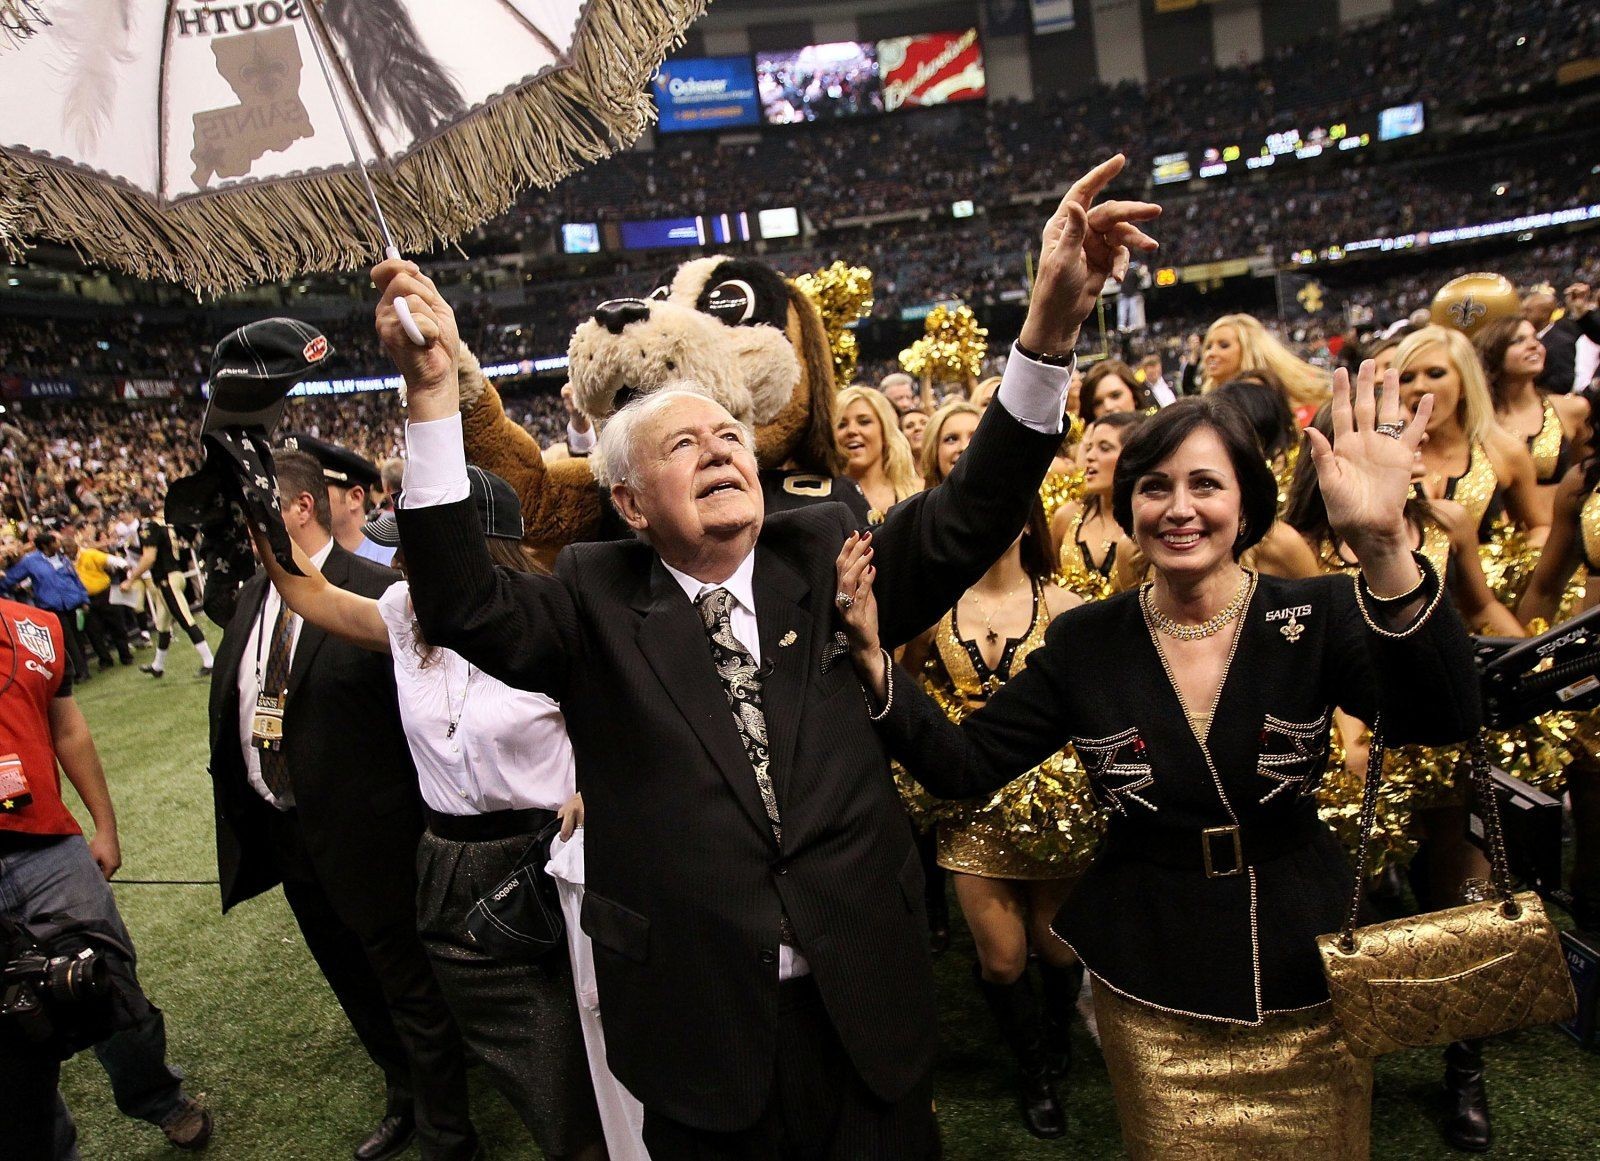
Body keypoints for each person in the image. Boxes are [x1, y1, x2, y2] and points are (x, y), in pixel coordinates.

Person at [379, 153, 1161, 1158]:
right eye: (681, 444)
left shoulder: (826, 552)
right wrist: (435, 388)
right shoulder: (590, 599)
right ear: (626, 502)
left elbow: (973, 514)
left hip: (864, 1010)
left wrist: (1049, 326)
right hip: (699, 1035)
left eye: (728, 435)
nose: (717, 449)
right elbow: (458, 598)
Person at [835, 364, 1479, 1159]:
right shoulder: (1087, 641)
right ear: (1125, 502)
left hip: (1305, 967)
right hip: (1152, 983)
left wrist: (1385, 547)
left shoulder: (1316, 612)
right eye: (1153, 486)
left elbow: (1442, 717)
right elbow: (964, 763)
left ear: (1246, 503)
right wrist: (873, 663)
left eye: (1206, 484)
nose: (1179, 508)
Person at [247, 467, 611, 1160]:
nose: (399, 560)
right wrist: (259, 505)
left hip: (551, 861)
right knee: (537, 1077)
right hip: (450, 869)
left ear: (471, 548)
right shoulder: (403, 612)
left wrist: (594, 782)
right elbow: (306, 588)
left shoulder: (549, 613)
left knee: (599, 1049)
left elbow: (623, 714)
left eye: (415, 545)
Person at [206, 448, 478, 1161]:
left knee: (413, 992)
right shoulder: (251, 593)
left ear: (297, 507)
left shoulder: (375, 588)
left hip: (378, 839)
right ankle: (404, 1096)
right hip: (292, 838)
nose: (245, 526)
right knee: (355, 987)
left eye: (255, 510)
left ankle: (451, 1134)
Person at [903, 424, 1093, 1140]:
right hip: (972, 804)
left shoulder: (1069, 606)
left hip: (1056, 806)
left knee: (1055, 948)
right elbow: (899, 685)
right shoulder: (933, 612)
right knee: (1002, 956)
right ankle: (1035, 1071)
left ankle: (1054, 1032)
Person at [0, 593, 212, 1157]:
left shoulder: (35, 627)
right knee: (9, 1033)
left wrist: (105, 827)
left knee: (105, 983)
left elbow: (68, 728)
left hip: (48, 847)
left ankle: (159, 1098)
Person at [1474, 316, 1589, 520]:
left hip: (1558, 537)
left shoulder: (1571, 409)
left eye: (1535, 338)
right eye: (1518, 341)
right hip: (1495, 544)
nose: (1534, 345)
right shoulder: (1474, 421)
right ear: (1492, 352)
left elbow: (1586, 482)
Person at [1050, 411, 1143, 600]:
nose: (1090, 457)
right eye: (1090, 447)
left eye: (1105, 448)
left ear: (1132, 457)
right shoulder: (1066, 517)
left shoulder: (1147, 523)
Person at [122, 505, 214, 678]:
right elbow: (194, 535)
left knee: (186, 620)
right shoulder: (167, 523)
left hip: (167, 579)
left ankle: (209, 661)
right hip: (175, 575)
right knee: (162, 626)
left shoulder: (149, 525)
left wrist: (131, 579)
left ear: (137, 513)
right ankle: (158, 666)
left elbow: (149, 557)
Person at [281, 433, 395, 566]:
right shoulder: (291, 563)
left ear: (355, 497)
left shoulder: (393, 559)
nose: (300, 501)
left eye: (313, 487)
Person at [2, 531, 93, 683]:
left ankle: (84, 669)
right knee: (67, 640)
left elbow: (75, 579)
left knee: (78, 636)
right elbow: (12, 577)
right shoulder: (31, 561)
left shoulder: (62, 558)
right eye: (55, 542)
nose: (59, 544)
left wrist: (84, 598)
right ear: (45, 545)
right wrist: (3, 584)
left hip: (72, 603)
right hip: (52, 607)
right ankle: (79, 671)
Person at [1199, 313, 1329, 419]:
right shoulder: (1210, 404)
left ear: (1249, 350)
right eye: (1208, 346)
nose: (1210, 353)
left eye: (1224, 345)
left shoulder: (1272, 404)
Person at [835, 385, 921, 522]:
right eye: (841, 424)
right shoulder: (822, 499)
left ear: (884, 431)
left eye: (864, 422)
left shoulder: (918, 493)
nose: (851, 430)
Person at [65, 524, 133, 669]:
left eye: (70, 549)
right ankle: (105, 659)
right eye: (66, 551)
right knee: (94, 632)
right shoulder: (66, 563)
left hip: (105, 593)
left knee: (117, 625)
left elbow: (111, 560)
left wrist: (125, 568)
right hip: (85, 600)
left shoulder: (89, 554)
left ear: (75, 547)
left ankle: (125, 655)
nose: (68, 552)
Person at [1526, 282, 1600, 394]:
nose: (1523, 315)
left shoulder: (1560, 341)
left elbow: (1564, 382)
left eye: (1528, 310)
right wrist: (1581, 311)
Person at [1077, 359, 1154, 423]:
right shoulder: (1087, 440)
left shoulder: (1159, 438)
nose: (1108, 407)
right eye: (1097, 403)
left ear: (1134, 397)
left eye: (1115, 396)